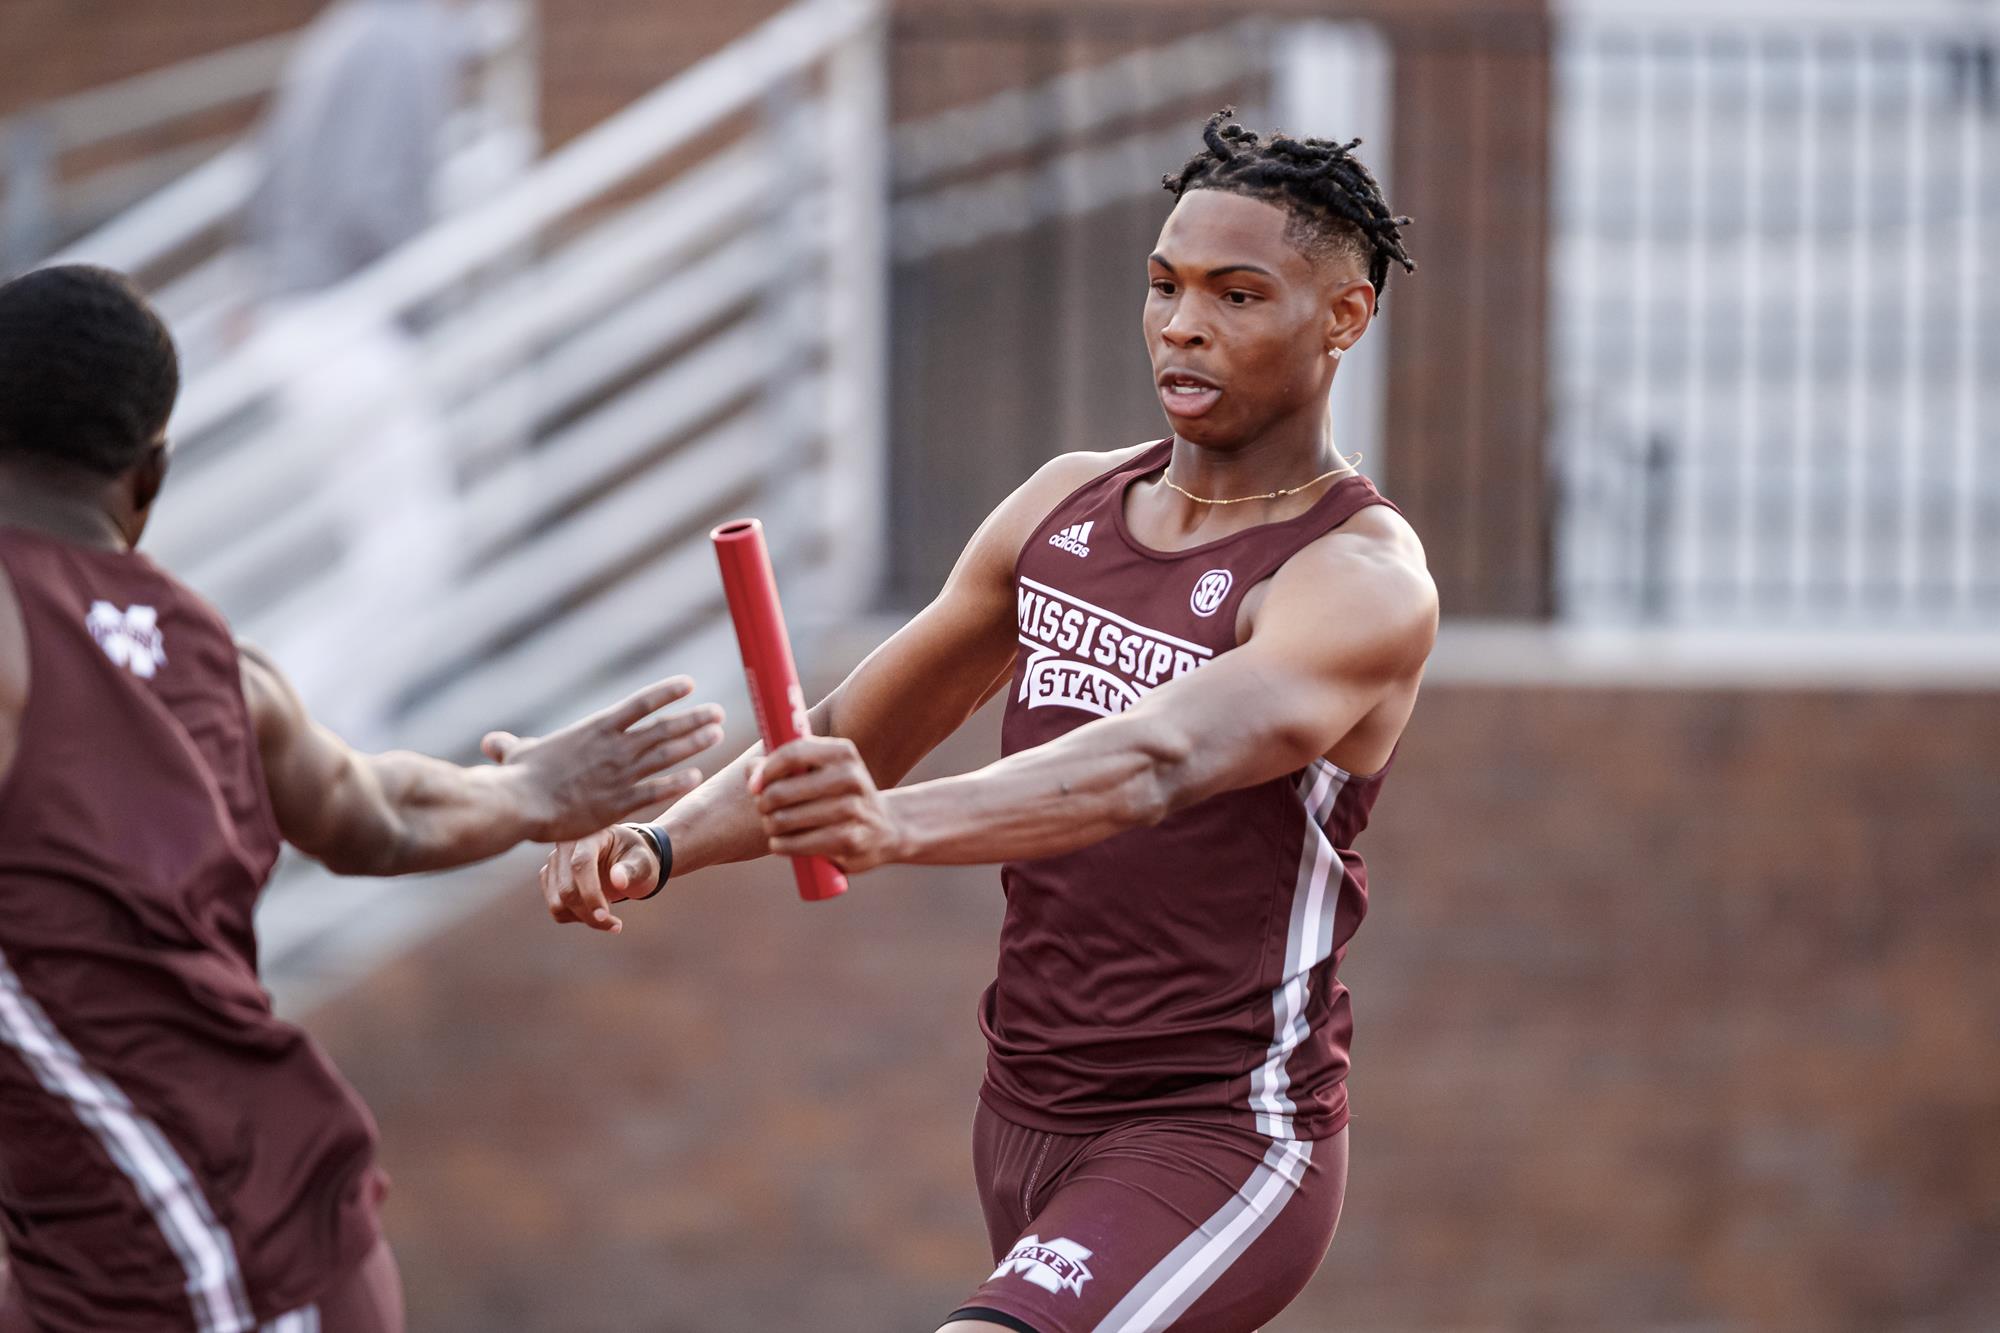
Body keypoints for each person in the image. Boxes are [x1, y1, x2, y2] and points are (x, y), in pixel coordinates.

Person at [543, 111, 1435, 1331]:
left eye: (1236, 295)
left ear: (1342, 317)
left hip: (1217, 1134)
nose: (1181, 325)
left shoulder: (1354, 581)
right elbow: (853, 730)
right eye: (1163, 286)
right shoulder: (1062, 506)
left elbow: (1152, 762)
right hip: (1019, 1111)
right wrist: (655, 845)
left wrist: (888, 828)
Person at [0, 265, 724, 1332]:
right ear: (148, 479)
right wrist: (529, 787)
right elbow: (380, 812)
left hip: (192, 1272)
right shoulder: (217, 663)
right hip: (231, 1240)